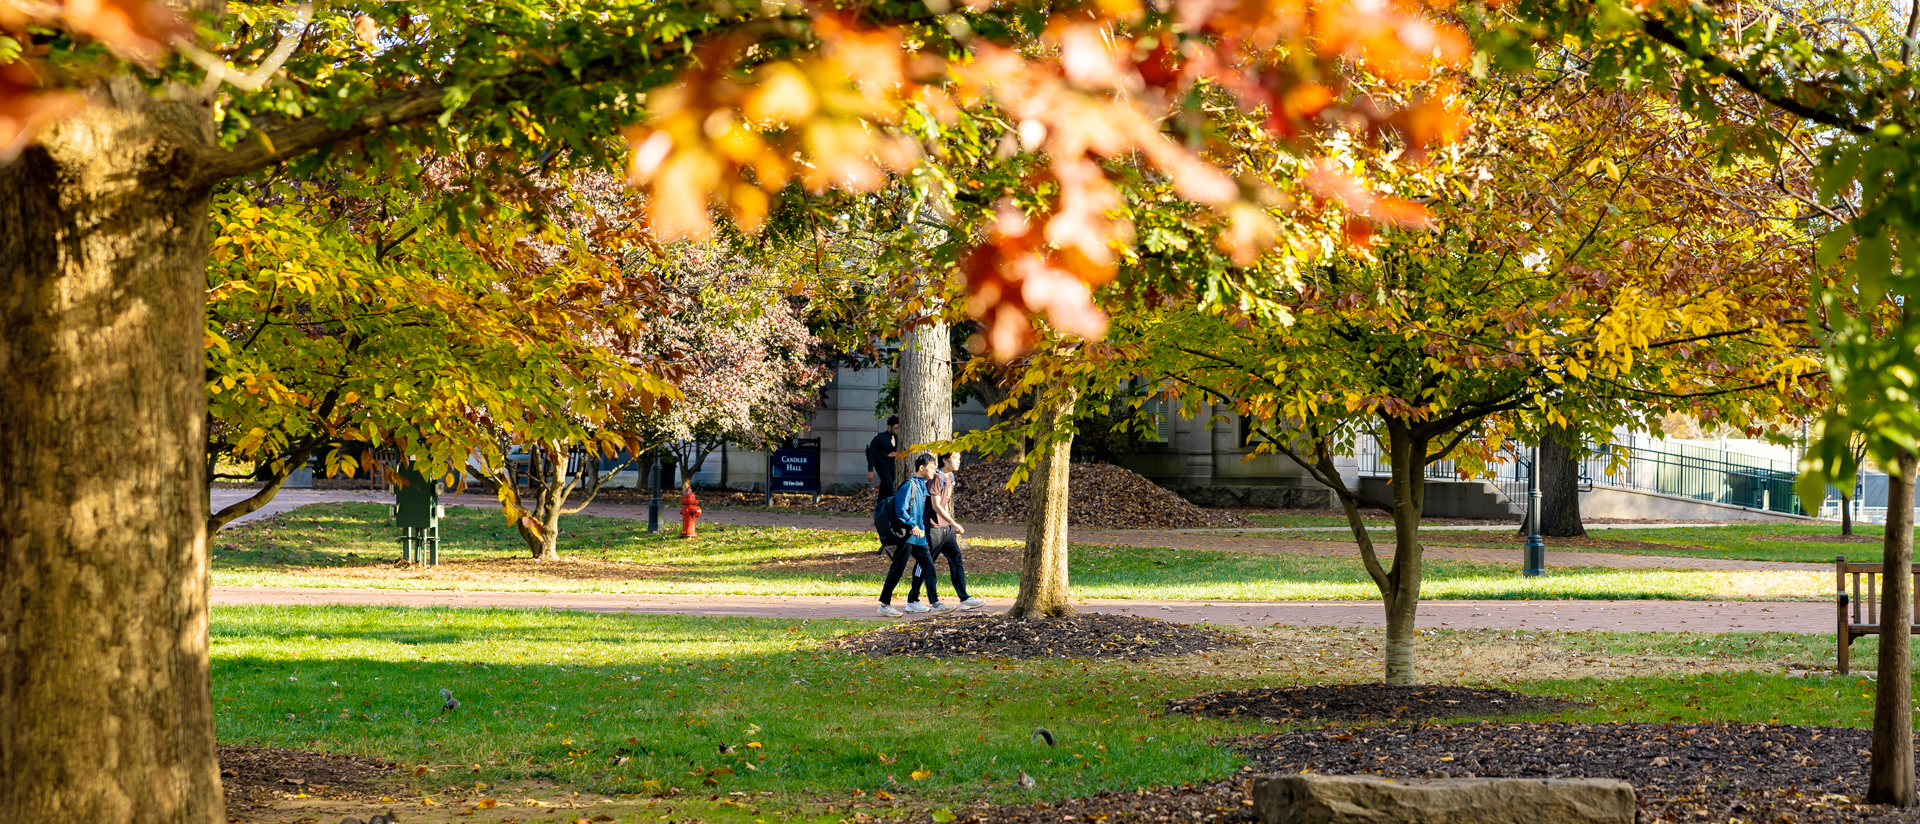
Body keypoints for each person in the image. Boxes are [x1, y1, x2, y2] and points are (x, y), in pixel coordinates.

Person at [878, 453, 955, 617]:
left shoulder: (923, 486)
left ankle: (935, 603)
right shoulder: (909, 485)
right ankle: (884, 605)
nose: (934, 471)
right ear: (922, 468)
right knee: (897, 568)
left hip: (920, 537)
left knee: (929, 567)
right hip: (907, 535)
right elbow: (900, 510)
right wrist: (912, 525)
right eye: (932, 468)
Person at [906, 451, 985, 611]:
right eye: (955, 458)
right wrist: (954, 523)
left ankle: (964, 598)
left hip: (945, 529)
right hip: (932, 527)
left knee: (956, 559)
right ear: (945, 460)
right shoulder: (936, 477)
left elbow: (945, 502)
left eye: (959, 458)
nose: (958, 462)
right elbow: (935, 505)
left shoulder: (950, 477)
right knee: (924, 563)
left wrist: (949, 524)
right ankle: (912, 600)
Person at [865, 416, 900, 497]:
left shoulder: (897, 437)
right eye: (895, 428)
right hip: (881, 465)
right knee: (889, 487)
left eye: (898, 429)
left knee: (885, 487)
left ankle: (880, 506)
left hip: (891, 465)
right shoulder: (880, 437)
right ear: (890, 426)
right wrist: (870, 470)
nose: (897, 430)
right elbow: (872, 453)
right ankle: (886, 506)